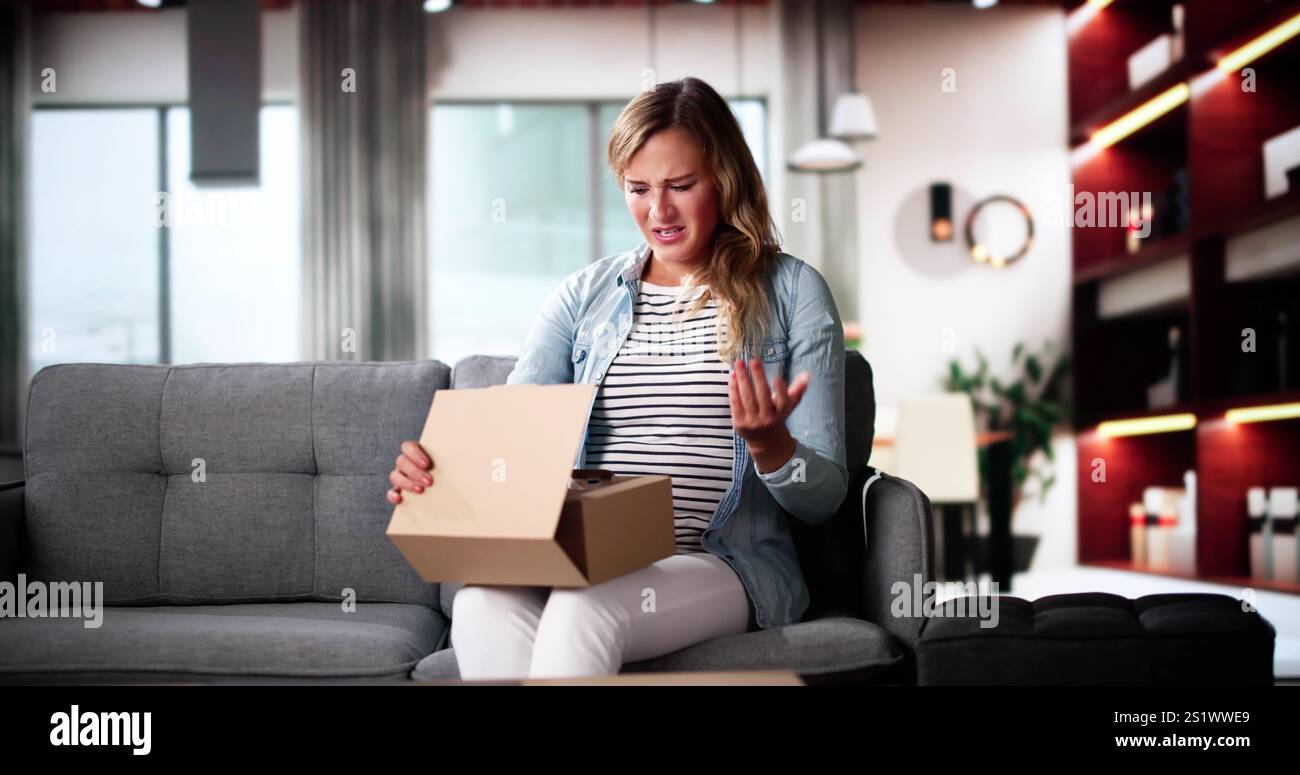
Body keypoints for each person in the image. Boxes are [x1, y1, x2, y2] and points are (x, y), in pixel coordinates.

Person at [387, 76, 847, 680]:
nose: (658, 211)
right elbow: (512, 439)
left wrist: (772, 447)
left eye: (681, 186)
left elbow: (826, 500)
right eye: (638, 189)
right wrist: (441, 475)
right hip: (581, 555)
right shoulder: (583, 296)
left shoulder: (792, 292)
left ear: (726, 179)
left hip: (718, 562)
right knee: (479, 601)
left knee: (587, 605)